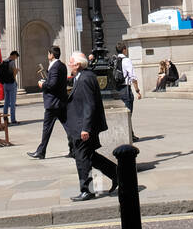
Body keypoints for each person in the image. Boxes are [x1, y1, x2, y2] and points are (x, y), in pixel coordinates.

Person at [65, 52, 118, 202]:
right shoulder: (81, 77)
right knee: (89, 156)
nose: (69, 64)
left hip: (84, 127)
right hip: (81, 125)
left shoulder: (85, 78)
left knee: (82, 158)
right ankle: (117, 173)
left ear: (77, 64)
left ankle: (86, 190)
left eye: (71, 62)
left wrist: (85, 128)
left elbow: (90, 104)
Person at [28, 45, 71, 159]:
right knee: (68, 127)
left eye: (48, 54)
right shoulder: (61, 65)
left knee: (47, 128)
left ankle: (41, 151)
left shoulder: (55, 66)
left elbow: (52, 84)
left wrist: (43, 84)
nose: (48, 56)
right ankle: (74, 149)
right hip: (60, 101)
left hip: (53, 103)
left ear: (51, 55)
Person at [115, 43, 141, 138]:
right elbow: (133, 77)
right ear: (124, 50)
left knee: (122, 113)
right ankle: (128, 135)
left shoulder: (114, 60)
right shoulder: (126, 60)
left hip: (117, 90)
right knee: (128, 113)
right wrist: (137, 90)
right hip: (126, 90)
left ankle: (130, 133)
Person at [0, 50, 19, 126]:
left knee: (6, 102)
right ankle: (13, 120)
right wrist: (17, 71)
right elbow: (14, 73)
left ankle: (5, 119)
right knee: (13, 102)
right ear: (13, 55)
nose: (15, 59)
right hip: (11, 83)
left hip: (5, 84)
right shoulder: (12, 62)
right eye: (16, 57)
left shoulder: (4, 61)